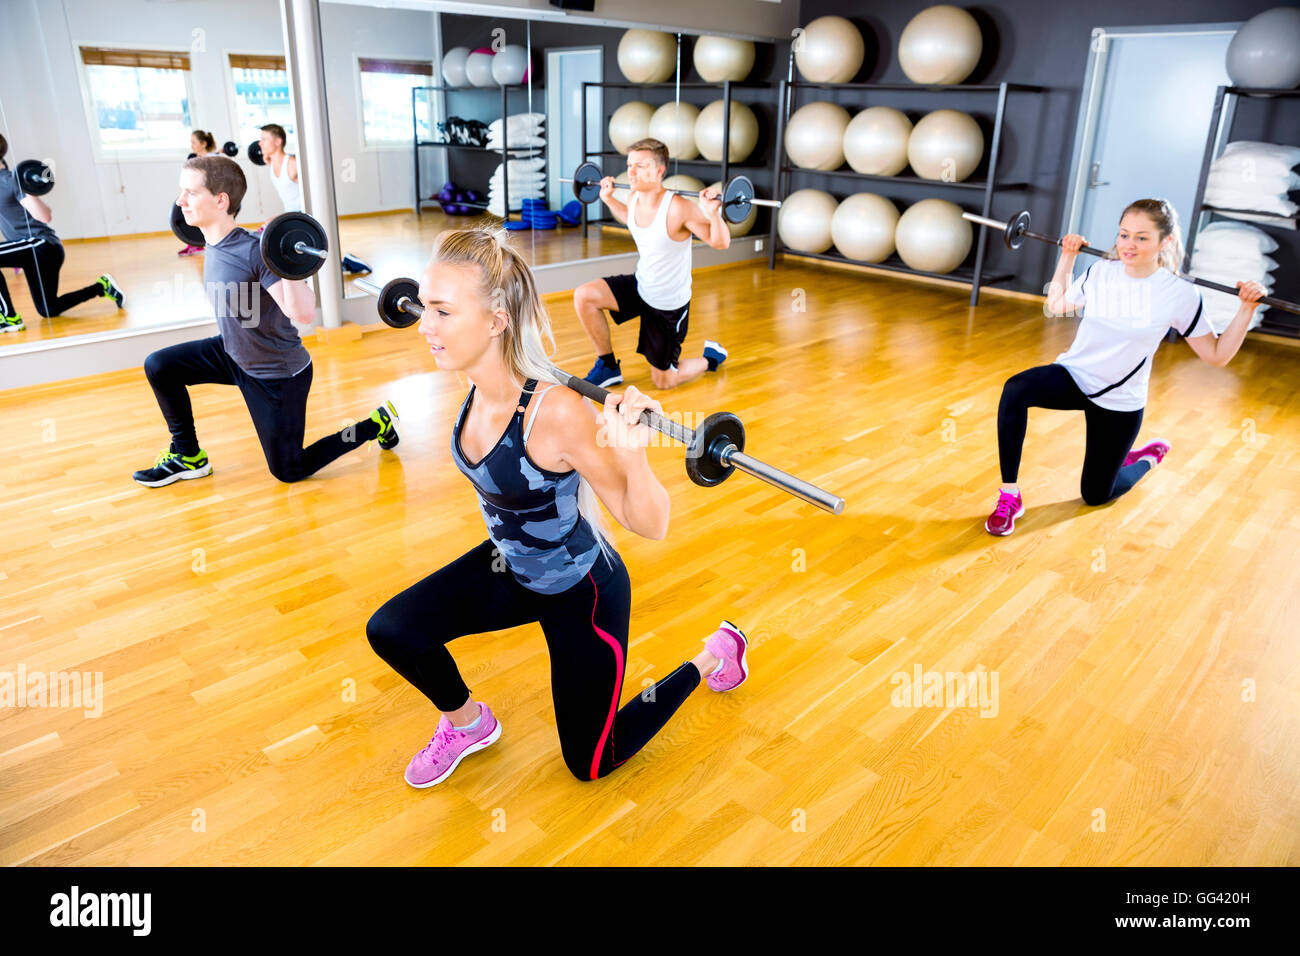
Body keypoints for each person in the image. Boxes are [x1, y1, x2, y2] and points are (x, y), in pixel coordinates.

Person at [366, 228, 750, 788]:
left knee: (592, 762)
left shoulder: (559, 413)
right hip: (509, 567)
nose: (424, 325)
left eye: (443, 312)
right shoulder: (475, 381)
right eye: (424, 306)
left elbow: (653, 523)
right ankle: (468, 723)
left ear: (495, 321)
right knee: (392, 629)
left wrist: (633, 454)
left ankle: (715, 656)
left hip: (580, 593)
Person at [985, 198, 1267, 536]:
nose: (1129, 245)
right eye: (1124, 235)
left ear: (1166, 242)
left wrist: (1245, 311)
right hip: (1075, 375)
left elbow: (1217, 356)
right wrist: (1068, 257)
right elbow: (1057, 305)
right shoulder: (1101, 271)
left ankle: (1145, 458)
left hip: (1119, 399)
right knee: (1016, 389)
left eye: (1142, 237)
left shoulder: (1179, 294)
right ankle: (1009, 496)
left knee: (1095, 495)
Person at [133, 155, 398, 487]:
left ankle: (375, 425)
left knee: (289, 470)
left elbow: (300, 313)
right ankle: (188, 455)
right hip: (233, 352)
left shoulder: (255, 251)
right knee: (160, 366)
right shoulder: (211, 242)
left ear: (220, 200)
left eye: (190, 193)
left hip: (275, 372)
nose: (180, 201)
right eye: (180, 192)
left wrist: (281, 254)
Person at [573, 138, 731, 390]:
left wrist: (713, 213)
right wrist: (609, 199)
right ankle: (608, 366)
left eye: (640, 166)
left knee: (664, 381)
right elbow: (632, 220)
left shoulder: (679, 208)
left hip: (667, 305)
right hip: (642, 285)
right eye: (630, 165)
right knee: (585, 296)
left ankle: (710, 358)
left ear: (659, 171)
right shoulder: (635, 197)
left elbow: (720, 242)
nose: (631, 172)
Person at [0, 134, 124, 332]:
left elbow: (45, 216)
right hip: (31, 253)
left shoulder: (12, 181)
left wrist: (29, 191)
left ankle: (8, 317)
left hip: (43, 246)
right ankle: (102, 287)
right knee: (48, 309)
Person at [255, 124, 370, 275]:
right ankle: (341, 263)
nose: (260, 143)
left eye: (264, 139)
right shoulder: (271, 162)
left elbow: (316, 188)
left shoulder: (293, 165)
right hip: (293, 214)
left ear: (278, 142)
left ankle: (349, 263)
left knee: (270, 229)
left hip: (305, 214)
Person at [177, 130, 221, 257]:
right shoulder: (194, 160)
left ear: (203, 143)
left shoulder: (213, 159)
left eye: (194, 142)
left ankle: (203, 244)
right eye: (191, 142)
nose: (192, 145)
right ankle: (195, 244)